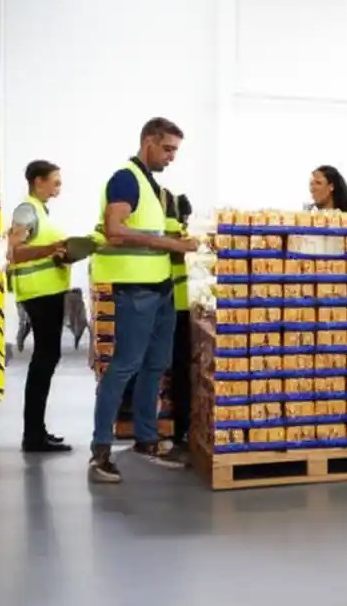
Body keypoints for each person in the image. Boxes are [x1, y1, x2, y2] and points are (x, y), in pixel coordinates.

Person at [88, 117, 198, 484]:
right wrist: (172, 244)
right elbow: (115, 229)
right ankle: (101, 451)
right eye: (167, 149)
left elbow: (148, 230)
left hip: (160, 287)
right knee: (124, 365)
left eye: (175, 151)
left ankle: (146, 440)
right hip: (136, 289)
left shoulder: (151, 185)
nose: (171, 157)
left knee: (157, 364)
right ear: (148, 142)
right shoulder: (125, 178)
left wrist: (179, 237)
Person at [7, 160, 73, 453]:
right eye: (55, 182)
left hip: (50, 292)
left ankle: (37, 430)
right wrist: (50, 249)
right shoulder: (26, 209)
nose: (58, 189)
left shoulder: (40, 211)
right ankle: (32, 435)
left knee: (47, 359)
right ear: (38, 181)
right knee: (44, 361)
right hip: (38, 294)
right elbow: (16, 252)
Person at [165, 189, 194, 456]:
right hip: (178, 308)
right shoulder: (176, 233)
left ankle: (176, 429)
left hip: (169, 306)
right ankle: (180, 428)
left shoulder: (164, 232)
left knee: (172, 369)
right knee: (181, 370)